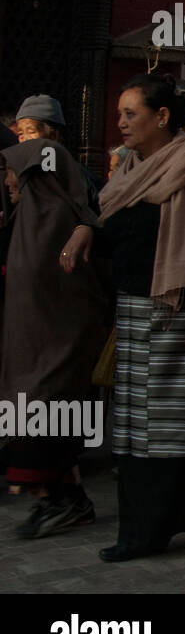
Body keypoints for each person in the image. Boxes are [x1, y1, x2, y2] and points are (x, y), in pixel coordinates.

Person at [58, 74, 185, 562]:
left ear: (162, 117)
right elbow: (115, 224)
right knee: (134, 430)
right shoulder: (132, 168)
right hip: (133, 315)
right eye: (120, 115)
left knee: (167, 430)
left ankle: (154, 529)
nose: (122, 123)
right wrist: (87, 231)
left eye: (131, 114)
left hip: (178, 317)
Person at [2, 138, 111, 539]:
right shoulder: (24, 220)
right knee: (31, 423)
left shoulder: (61, 223)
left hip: (58, 350)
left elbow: (79, 292)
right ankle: (63, 501)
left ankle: (65, 503)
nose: (8, 179)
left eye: (14, 171)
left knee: (46, 424)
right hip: (29, 350)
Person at [14, 94, 102, 210]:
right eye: (20, 134)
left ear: (54, 136)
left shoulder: (78, 178)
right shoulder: (20, 177)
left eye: (31, 131)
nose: (24, 140)